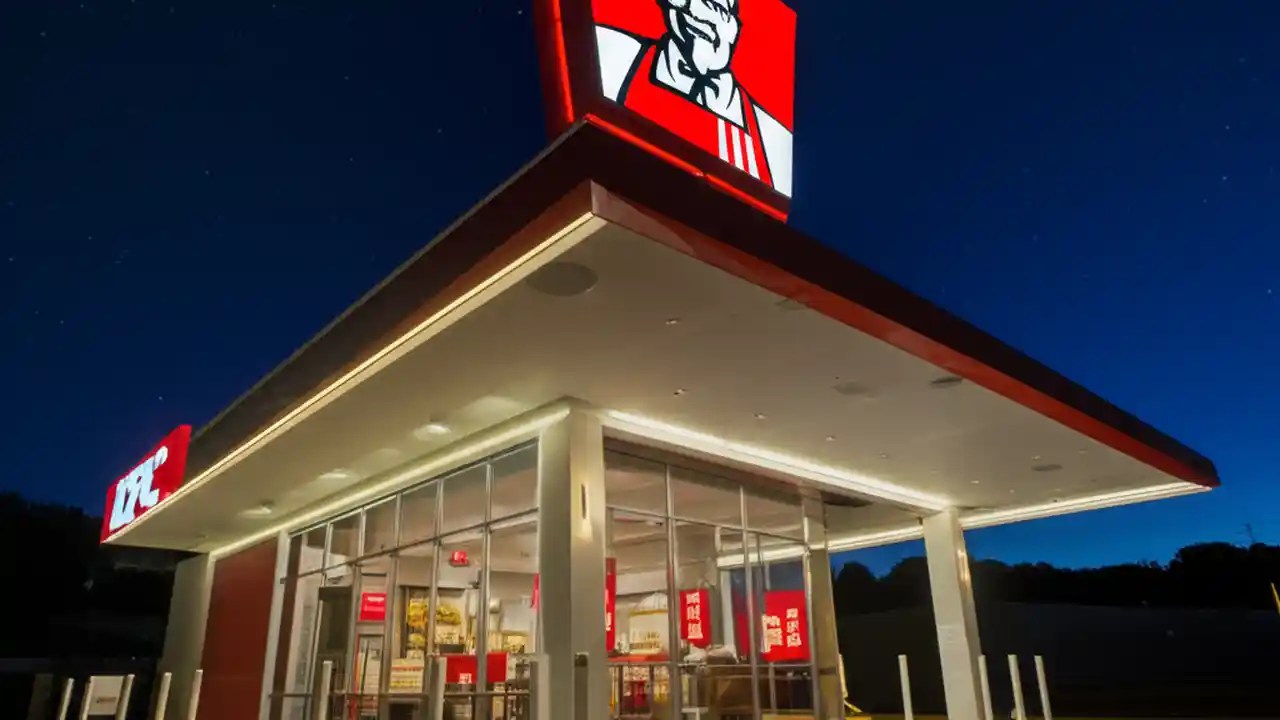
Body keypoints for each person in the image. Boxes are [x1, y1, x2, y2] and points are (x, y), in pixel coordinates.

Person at [596, 0, 793, 197]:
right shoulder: (611, 56)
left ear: (734, 26)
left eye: (719, 7)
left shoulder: (773, 140)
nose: (701, 13)